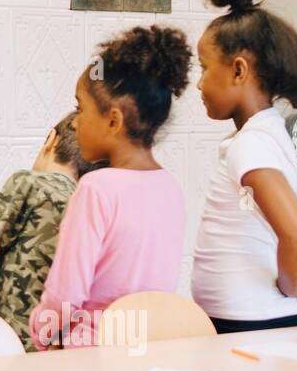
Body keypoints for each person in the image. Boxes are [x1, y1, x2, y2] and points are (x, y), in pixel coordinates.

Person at [29, 26, 191, 351]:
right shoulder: (169, 188)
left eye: (81, 108)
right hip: (148, 349)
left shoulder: (96, 188)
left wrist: (40, 335)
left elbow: (65, 296)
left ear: (113, 121)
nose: (75, 122)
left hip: (91, 355)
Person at [190, 0, 297, 334]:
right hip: (253, 319)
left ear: (238, 70)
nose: (199, 84)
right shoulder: (265, 133)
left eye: (204, 67)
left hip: (254, 324)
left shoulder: (251, 145)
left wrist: (289, 287)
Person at [0, 113, 101, 351]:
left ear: (51, 140)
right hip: (63, 352)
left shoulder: (26, 183)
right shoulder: (87, 204)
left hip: (13, 348)